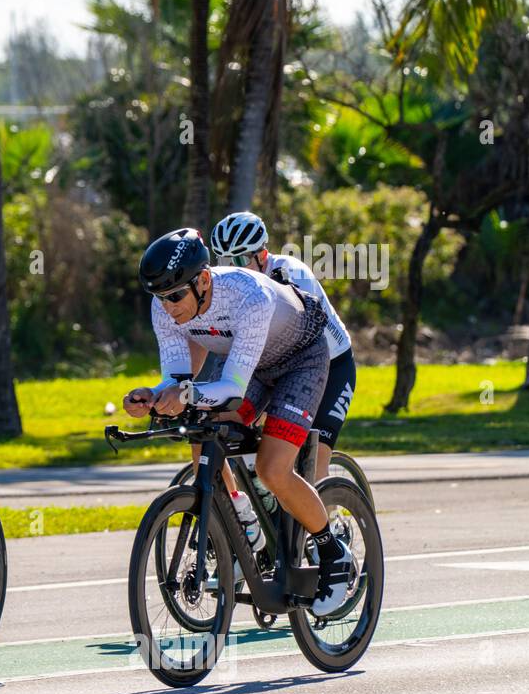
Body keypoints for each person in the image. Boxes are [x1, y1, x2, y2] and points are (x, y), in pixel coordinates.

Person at [122, 227, 354, 616]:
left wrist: (183, 397)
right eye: (160, 298)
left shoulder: (248, 294)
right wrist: (153, 397)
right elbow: (178, 380)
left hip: (302, 360)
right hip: (256, 364)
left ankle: (333, 552)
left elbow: (230, 386)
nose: (168, 307)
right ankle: (242, 516)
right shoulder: (167, 306)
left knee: (272, 468)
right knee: (200, 426)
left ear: (204, 280)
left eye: (176, 295)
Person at [210, 211, 355, 479]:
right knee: (221, 424)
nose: (231, 268)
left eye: (240, 259)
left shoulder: (291, 273)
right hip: (269, 365)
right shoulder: (225, 286)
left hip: (329, 365)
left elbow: (298, 341)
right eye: (223, 260)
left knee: (315, 459)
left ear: (262, 256)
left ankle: (326, 516)